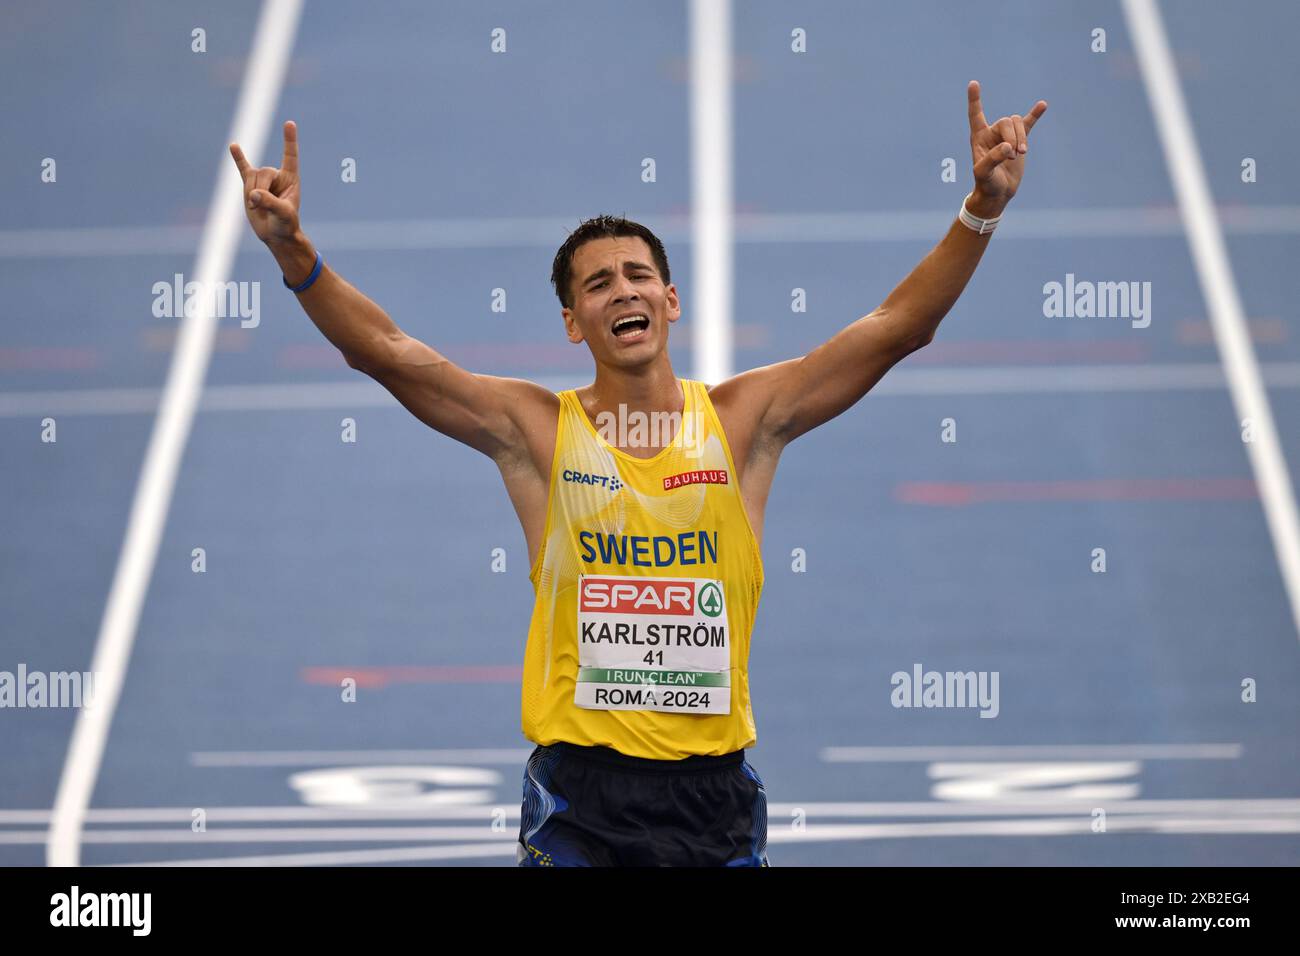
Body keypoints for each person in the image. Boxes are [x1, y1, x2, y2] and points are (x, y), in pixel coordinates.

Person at [229, 80, 1046, 867]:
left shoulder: (739, 422)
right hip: (581, 802)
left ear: (670, 300)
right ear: (573, 323)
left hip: (712, 798)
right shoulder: (537, 433)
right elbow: (389, 354)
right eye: (598, 283)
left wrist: (982, 210)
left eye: (638, 275)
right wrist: (295, 251)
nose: (622, 289)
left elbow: (897, 328)